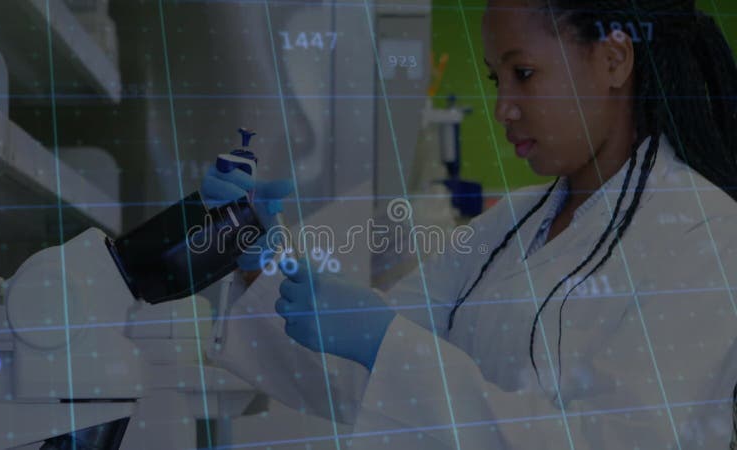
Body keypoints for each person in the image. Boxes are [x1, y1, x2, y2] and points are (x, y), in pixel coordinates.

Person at [204, 0, 737, 448]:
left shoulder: (705, 234)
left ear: (615, 58)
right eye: (495, 78)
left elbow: (615, 440)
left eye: (523, 74)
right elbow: (360, 378)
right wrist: (259, 259)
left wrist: (387, 343)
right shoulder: (509, 224)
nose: (502, 107)